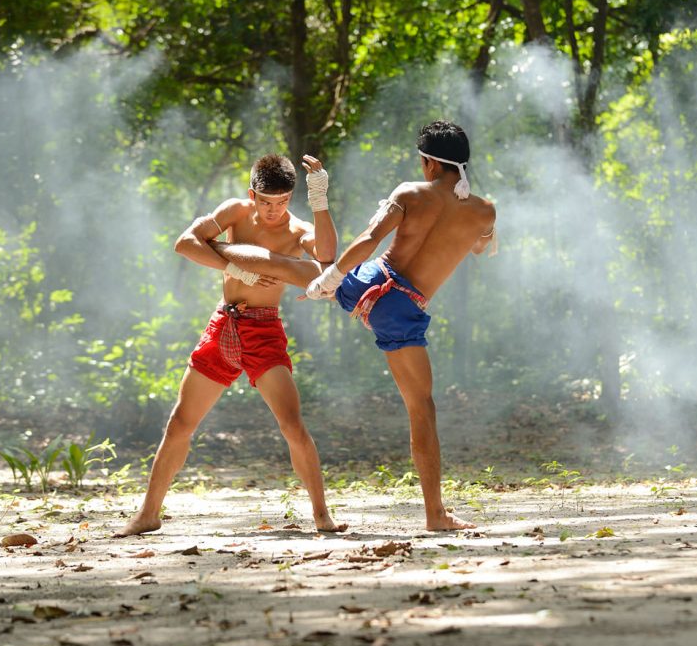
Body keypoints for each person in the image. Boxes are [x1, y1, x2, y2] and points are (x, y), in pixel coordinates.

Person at [114, 154, 346, 537]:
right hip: (224, 324)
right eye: (267, 202)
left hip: (263, 330)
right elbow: (185, 243)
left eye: (283, 202)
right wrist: (236, 268)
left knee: (292, 425)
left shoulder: (298, 228)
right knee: (180, 422)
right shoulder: (235, 211)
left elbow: (325, 257)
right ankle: (148, 513)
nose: (274, 211)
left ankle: (322, 515)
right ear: (252, 195)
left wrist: (319, 199)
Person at [304, 120, 497, 531]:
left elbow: (370, 237)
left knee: (304, 266)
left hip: (369, 281)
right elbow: (483, 246)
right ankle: (435, 515)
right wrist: (481, 232)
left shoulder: (408, 193)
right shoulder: (485, 210)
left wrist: (330, 278)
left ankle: (307, 202)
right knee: (421, 409)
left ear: (429, 164)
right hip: (402, 307)